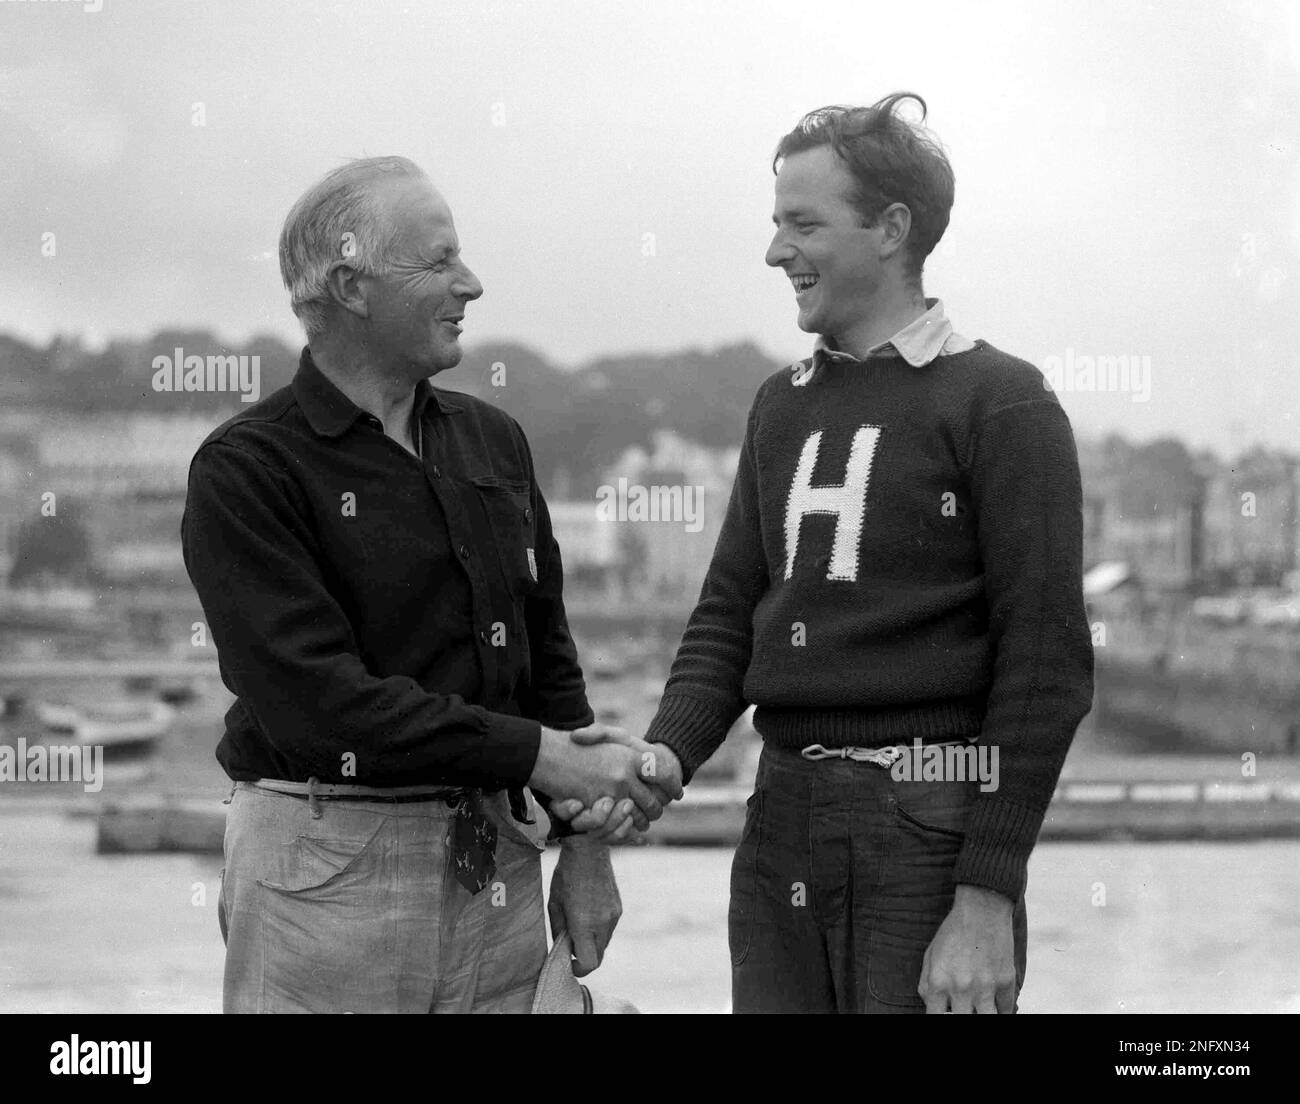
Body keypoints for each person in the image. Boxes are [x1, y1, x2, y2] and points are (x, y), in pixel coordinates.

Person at [557, 92, 1094, 1013]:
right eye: (775, 225)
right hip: (781, 821)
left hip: (930, 824)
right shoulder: (781, 404)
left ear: (892, 229)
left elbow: (1045, 666)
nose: (775, 252)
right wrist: (661, 764)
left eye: (803, 224)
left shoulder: (1001, 402)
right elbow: (730, 617)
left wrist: (986, 895)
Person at [181, 156, 679, 1013]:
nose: (471, 284)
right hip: (323, 876)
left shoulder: (495, 441)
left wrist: (586, 846)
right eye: (438, 262)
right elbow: (321, 707)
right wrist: (547, 759)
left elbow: (546, 658)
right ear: (350, 285)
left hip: (500, 864)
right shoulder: (248, 468)